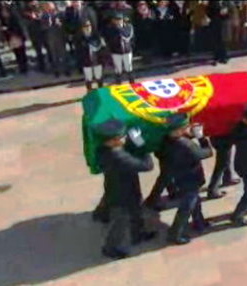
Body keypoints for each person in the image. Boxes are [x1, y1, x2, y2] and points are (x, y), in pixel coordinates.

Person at [94, 119, 156, 259]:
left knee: (136, 211)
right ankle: (110, 247)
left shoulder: (102, 149)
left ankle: (137, 233)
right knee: (121, 221)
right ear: (112, 141)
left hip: (117, 186)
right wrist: (142, 146)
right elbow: (147, 166)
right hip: (123, 192)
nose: (124, 138)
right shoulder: (119, 156)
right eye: (121, 137)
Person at [164, 113, 212, 245]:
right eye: (185, 127)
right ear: (178, 130)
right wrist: (201, 138)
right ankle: (175, 233)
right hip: (190, 178)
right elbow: (207, 152)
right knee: (187, 207)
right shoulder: (186, 145)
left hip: (179, 176)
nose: (187, 128)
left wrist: (190, 135)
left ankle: (199, 222)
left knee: (195, 202)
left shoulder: (167, 140)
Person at [206, 135, 240, 199]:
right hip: (223, 137)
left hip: (216, 137)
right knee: (221, 164)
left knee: (225, 158)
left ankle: (227, 178)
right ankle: (212, 190)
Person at [107, 12, 134, 84]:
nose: (118, 21)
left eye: (120, 19)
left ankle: (132, 84)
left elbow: (128, 36)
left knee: (128, 68)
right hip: (116, 52)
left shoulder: (128, 27)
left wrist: (119, 29)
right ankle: (119, 85)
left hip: (127, 50)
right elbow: (109, 39)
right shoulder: (110, 29)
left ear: (123, 19)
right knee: (118, 69)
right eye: (116, 20)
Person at [78, 20, 105, 91]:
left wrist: (103, 61)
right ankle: (89, 93)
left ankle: (101, 93)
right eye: (85, 27)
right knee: (88, 79)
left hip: (97, 61)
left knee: (99, 78)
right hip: (86, 62)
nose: (87, 28)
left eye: (89, 26)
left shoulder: (96, 37)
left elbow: (102, 50)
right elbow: (78, 52)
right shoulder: (80, 39)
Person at [206, 0, 229, 65]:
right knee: (219, 39)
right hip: (218, 21)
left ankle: (218, 56)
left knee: (216, 39)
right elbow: (225, 14)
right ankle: (221, 56)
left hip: (214, 22)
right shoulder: (220, 3)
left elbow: (208, 12)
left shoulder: (213, 3)